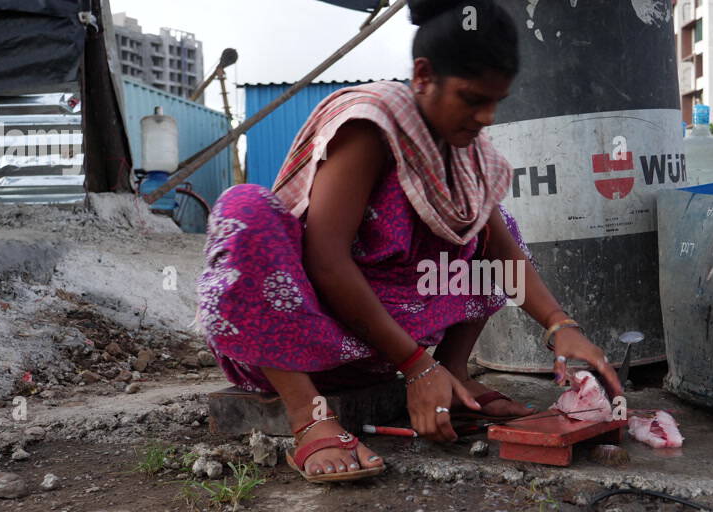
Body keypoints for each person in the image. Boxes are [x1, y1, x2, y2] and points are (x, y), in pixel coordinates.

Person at [196, 0, 623, 484]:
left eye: (495, 102)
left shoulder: (468, 155)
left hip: (380, 348)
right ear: (423, 75)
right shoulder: (370, 126)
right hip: (305, 341)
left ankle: (455, 373)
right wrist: (416, 368)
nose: (485, 117)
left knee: (491, 218)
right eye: (471, 98)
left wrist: (560, 326)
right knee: (245, 209)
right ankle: (308, 416)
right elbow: (326, 259)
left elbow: (504, 256)